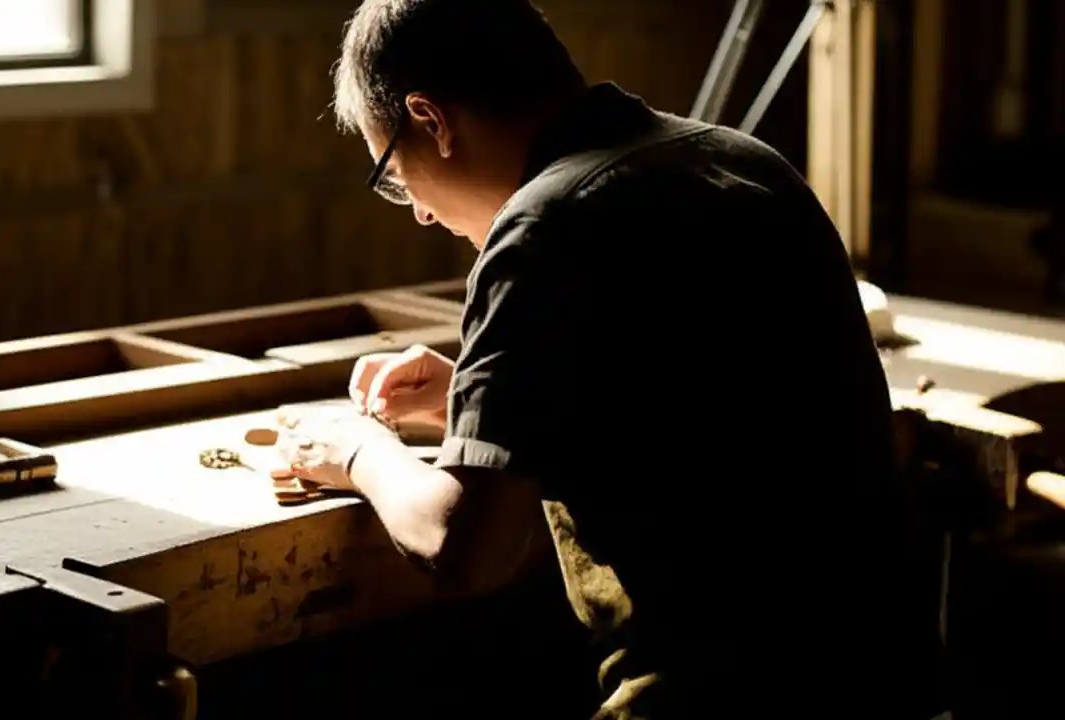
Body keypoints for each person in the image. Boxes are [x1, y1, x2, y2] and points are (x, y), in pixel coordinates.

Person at [271, 1, 946, 717]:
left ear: (432, 121)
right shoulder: (741, 163)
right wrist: (472, 409)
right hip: (890, 683)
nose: (421, 213)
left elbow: (460, 544)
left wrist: (357, 451)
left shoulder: (541, 226)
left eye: (396, 176)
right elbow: (687, 414)